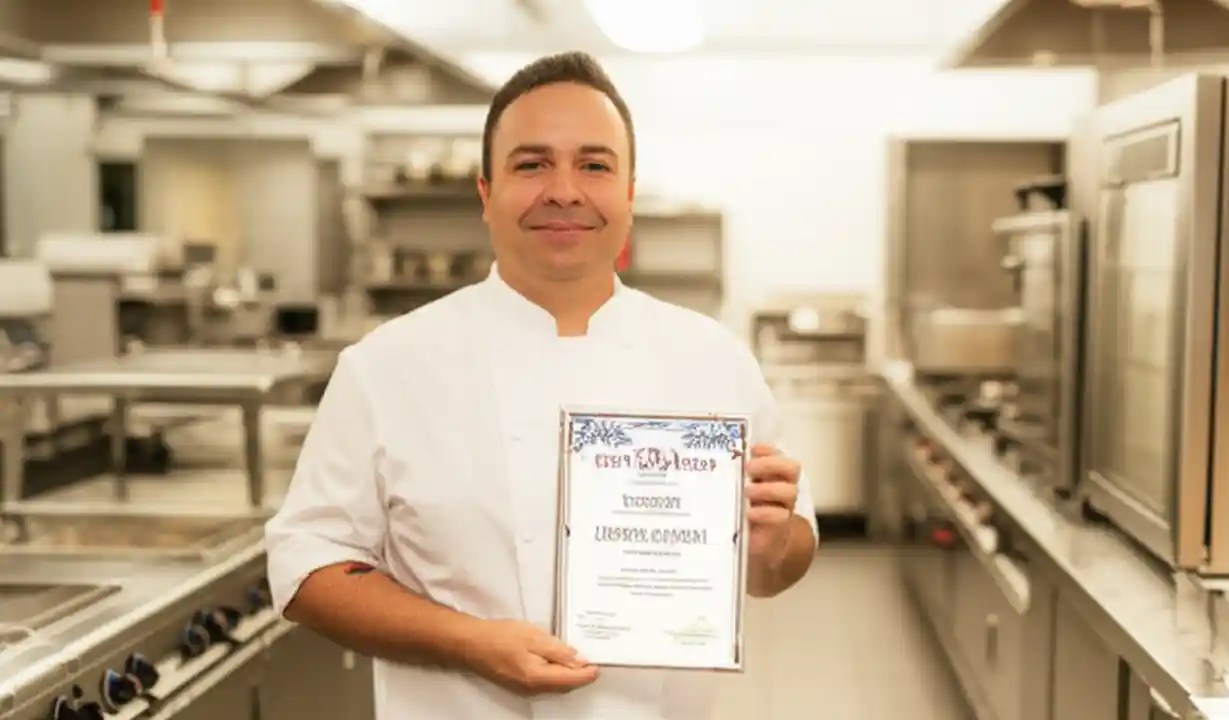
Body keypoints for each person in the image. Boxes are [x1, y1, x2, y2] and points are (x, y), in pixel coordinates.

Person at [264, 51, 819, 720]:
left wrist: (768, 546)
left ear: (629, 193)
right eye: (532, 164)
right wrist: (470, 642)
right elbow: (305, 567)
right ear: (485, 194)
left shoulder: (713, 359)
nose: (564, 190)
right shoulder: (387, 366)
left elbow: (779, 564)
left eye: (594, 164)